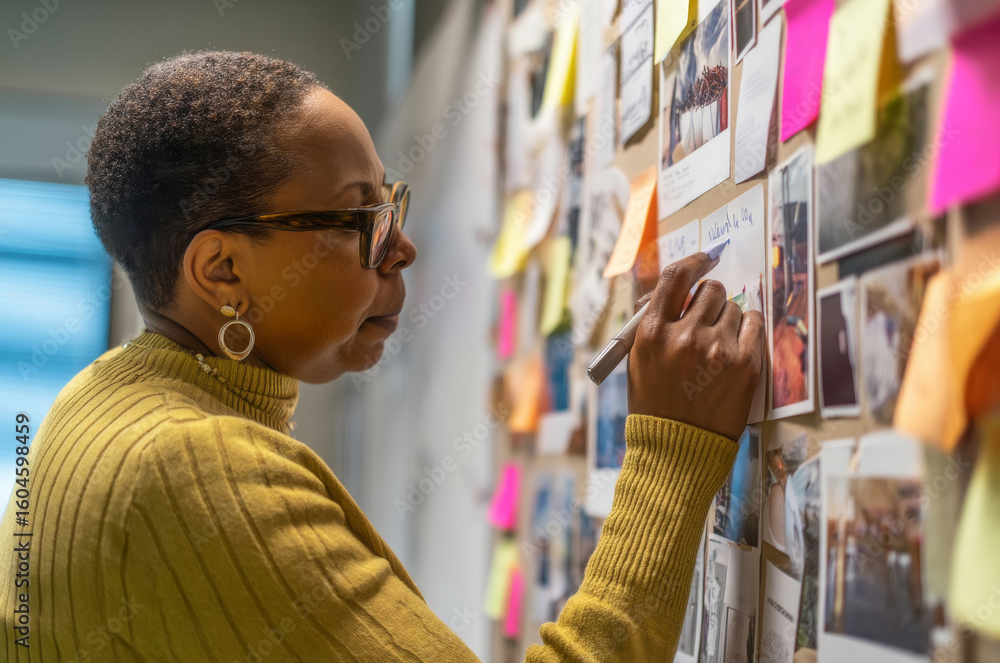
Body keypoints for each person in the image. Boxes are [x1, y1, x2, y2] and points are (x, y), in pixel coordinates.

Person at [0, 51, 764, 661]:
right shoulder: (193, 469)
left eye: (387, 204)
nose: (401, 246)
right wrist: (669, 452)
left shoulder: (97, 400)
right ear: (222, 270)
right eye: (358, 217)